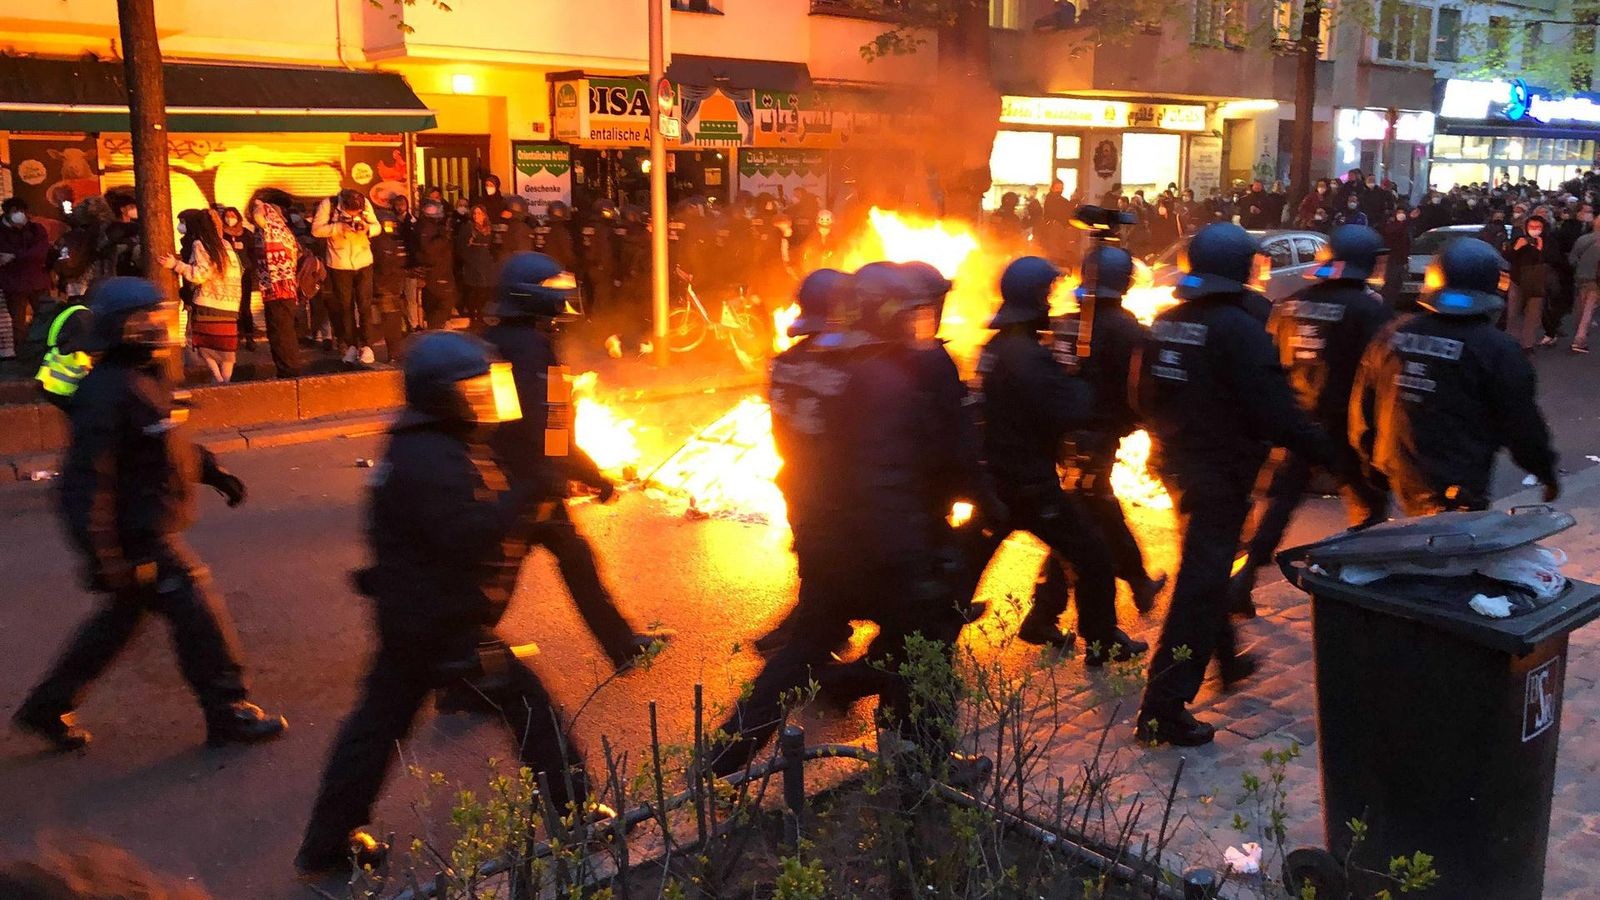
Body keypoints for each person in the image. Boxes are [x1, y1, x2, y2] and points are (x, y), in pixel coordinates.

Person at [296, 331, 604, 877]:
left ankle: (326, 843)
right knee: (530, 706)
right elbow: (470, 533)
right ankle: (577, 811)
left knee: (376, 726)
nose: (486, 398)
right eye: (475, 389)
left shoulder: (427, 443)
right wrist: (528, 492)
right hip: (444, 622)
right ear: (446, 395)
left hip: (413, 616)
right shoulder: (433, 457)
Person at [14, 277, 285, 753]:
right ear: (120, 326)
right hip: (138, 533)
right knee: (197, 611)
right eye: (146, 318)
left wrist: (210, 470)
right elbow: (86, 482)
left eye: (158, 316)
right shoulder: (106, 391)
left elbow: (164, 445)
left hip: (146, 527)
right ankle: (228, 711)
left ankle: (44, 708)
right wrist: (103, 555)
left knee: (114, 627)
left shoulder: (149, 377)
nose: (158, 326)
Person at [1134, 223, 1330, 746]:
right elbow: (1274, 408)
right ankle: (1164, 708)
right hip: (1219, 474)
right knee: (1197, 589)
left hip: (1178, 468)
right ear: (1243, 269)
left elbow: (1143, 395)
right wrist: (1326, 451)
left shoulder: (1168, 322)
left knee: (1207, 568)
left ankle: (1227, 660)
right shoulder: (1239, 330)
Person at [483, 252, 667, 669]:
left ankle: (622, 647)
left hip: (521, 480)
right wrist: (591, 475)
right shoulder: (531, 351)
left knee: (577, 561)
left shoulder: (500, 341)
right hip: (524, 487)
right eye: (553, 292)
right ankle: (455, 668)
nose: (562, 300)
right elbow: (550, 430)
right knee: (492, 587)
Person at [980, 256, 1147, 663]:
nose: (1053, 303)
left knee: (963, 573)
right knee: (1092, 558)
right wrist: (1085, 379)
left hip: (999, 482)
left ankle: (916, 656)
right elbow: (1072, 407)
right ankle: (1102, 639)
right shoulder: (1025, 355)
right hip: (1030, 486)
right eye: (1047, 293)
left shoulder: (999, 346)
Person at [1229, 226, 1393, 616]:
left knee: (1280, 504)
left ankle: (1244, 579)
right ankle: (1362, 594)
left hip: (1297, 422)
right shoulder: (1370, 310)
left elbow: (1269, 361)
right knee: (1369, 508)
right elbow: (1380, 374)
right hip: (1348, 428)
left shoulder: (1289, 304)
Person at [1351, 238, 1559, 516]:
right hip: (1460, 484)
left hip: (1400, 472)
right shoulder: (1498, 349)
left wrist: (1371, 462)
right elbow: (1522, 424)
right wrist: (1544, 471)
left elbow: (1363, 410)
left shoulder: (1392, 335)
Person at [1043, 244, 1167, 612]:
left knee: (1086, 510)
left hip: (1063, 434)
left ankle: (1133, 581)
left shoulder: (1064, 321)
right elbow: (1139, 386)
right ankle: (1052, 606)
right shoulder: (1127, 328)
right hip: (1098, 434)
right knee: (1087, 513)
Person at [160, 209, 242, 384]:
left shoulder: (200, 244)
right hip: (230, 306)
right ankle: (226, 382)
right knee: (227, 348)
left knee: (204, 345)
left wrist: (176, 265)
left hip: (207, 303)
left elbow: (200, 274)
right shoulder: (226, 245)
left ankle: (218, 379)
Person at [313, 189, 383, 365]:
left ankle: (368, 346)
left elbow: (377, 226)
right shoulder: (327, 205)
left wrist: (367, 229)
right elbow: (316, 230)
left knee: (365, 305)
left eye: (357, 213)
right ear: (343, 205)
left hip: (363, 260)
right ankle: (351, 345)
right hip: (339, 262)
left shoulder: (365, 203)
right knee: (345, 306)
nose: (354, 216)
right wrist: (338, 227)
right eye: (351, 213)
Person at [248, 198, 302, 377]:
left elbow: (259, 218)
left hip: (280, 290)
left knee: (282, 334)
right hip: (276, 291)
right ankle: (285, 369)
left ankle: (289, 370)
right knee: (279, 333)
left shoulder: (275, 230)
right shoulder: (276, 231)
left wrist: (260, 205)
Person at [0, 197, 52, 356]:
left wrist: (14, 256)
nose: (20, 215)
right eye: (16, 211)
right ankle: (23, 355)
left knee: (46, 317)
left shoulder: (36, 229)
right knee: (18, 323)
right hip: (14, 284)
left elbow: (39, 253)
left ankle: (47, 352)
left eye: (22, 211)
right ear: (7, 213)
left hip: (37, 281)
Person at [1506, 214, 1557, 351]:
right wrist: (1516, 248)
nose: (1534, 229)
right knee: (1513, 313)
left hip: (1536, 282)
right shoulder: (1520, 240)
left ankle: (1527, 344)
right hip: (1517, 281)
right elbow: (1508, 257)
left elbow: (1553, 259)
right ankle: (1512, 341)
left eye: (1538, 227)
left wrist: (1540, 249)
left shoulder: (1548, 242)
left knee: (1533, 315)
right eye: (1531, 227)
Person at [220, 207, 261, 352]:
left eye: (232, 215)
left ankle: (249, 337)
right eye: (227, 215)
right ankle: (233, 337)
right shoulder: (221, 234)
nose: (230, 218)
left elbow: (253, 254)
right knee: (231, 307)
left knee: (245, 306)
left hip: (245, 275)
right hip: (228, 277)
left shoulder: (246, 234)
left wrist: (251, 267)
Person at [415, 197, 459, 330]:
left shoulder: (434, 227)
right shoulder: (425, 228)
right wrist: (444, 237)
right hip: (435, 273)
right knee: (440, 306)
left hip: (441, 271)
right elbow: (428, 249)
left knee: (442, 304)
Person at [369, 216, 409, 363]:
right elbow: (381, 266)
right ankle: (392, 354)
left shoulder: (396, 242)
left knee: (393, 322)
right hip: (384, 287)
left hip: (394, 286)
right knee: (389, 322)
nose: (390, 226)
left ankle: (393, 353)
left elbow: (401, 263)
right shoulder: (378, 243)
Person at [455, 202, 496, 327]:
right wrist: (469, 260)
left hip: (485, 263)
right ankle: (474, 315)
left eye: (479, 213)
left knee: (485, 290)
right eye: (474, 213)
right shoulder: (468, 227)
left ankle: (481, 313)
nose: (476, 216)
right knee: (474, 291)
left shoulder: (489, 229)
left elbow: (492, 246)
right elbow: (461, 247)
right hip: (473, 263)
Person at [1569, 216, 1600, 352]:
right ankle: (1580, 337)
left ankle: (1579, 333)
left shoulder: (1583, 239)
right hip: (1596, 278)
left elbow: (1572, 259)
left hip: (1581, 276)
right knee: (1589, 307)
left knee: (1582, 305)